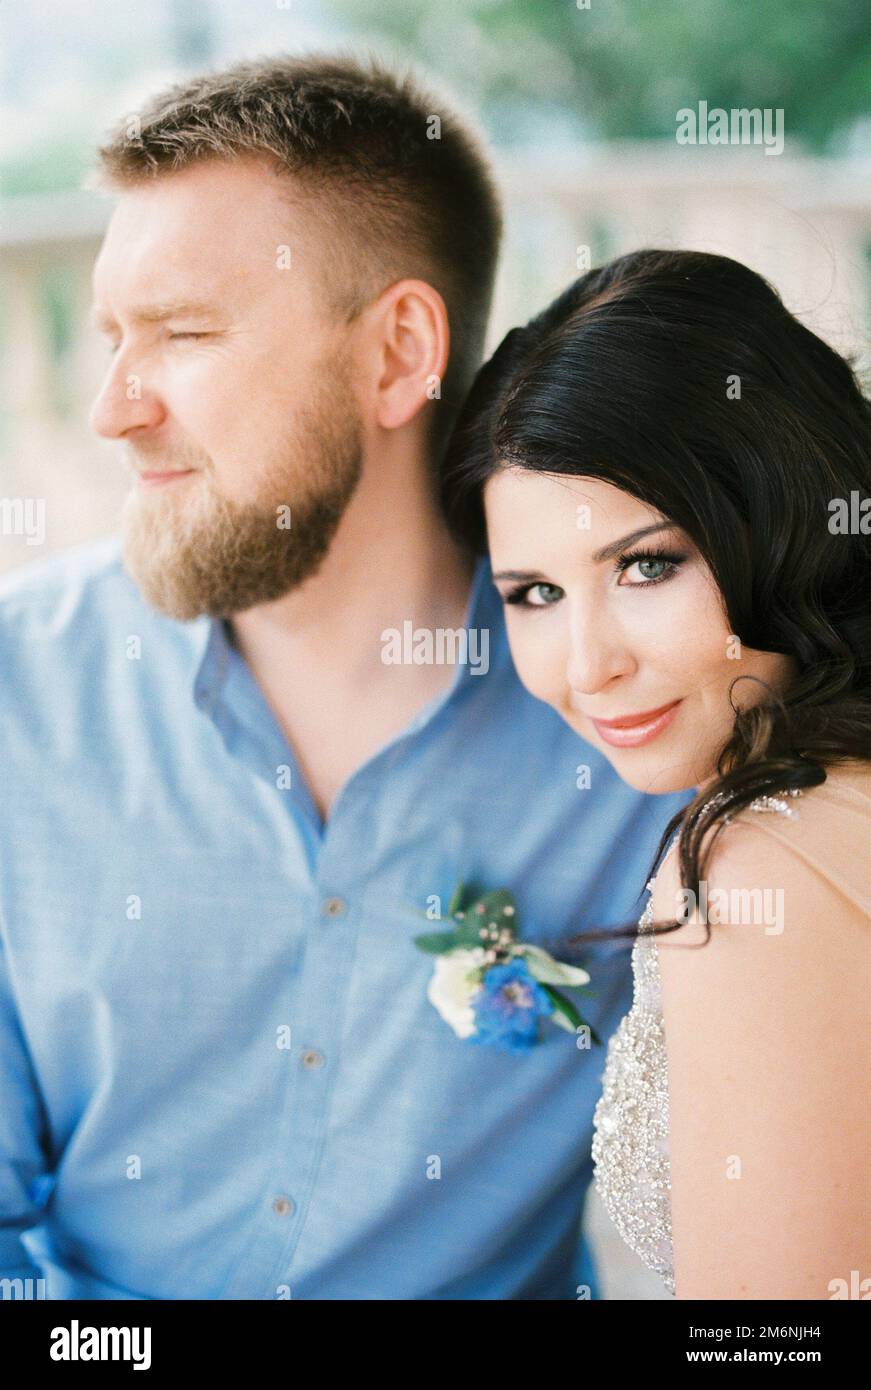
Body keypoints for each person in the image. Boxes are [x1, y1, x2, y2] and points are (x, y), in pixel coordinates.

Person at [0, 57, 689, 1301]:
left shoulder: (633, 720)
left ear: (396, 354)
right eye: (112, 336)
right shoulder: (17, 701)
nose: (111, 407)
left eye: (183, 334)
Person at [440, 247, 871, 1299]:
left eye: (644, 565)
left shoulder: (755, 858)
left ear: (777, 511)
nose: (588, 665)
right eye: (535, 593)